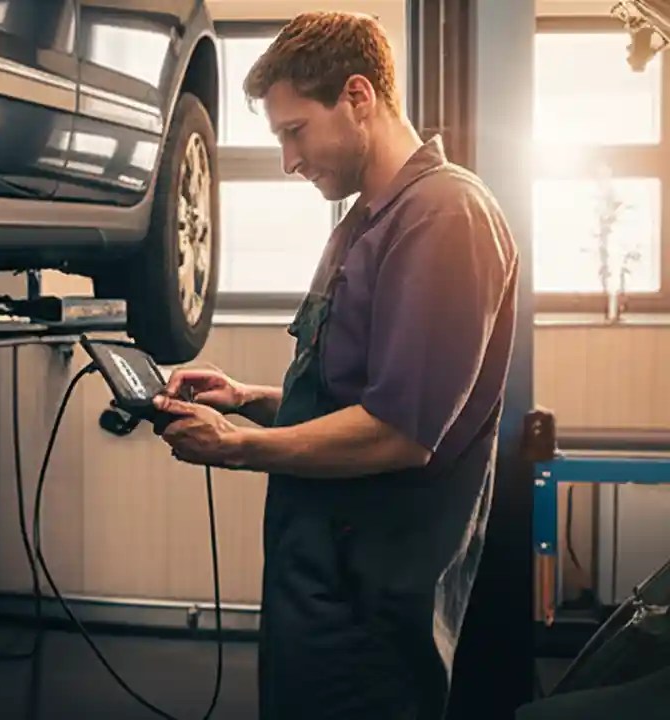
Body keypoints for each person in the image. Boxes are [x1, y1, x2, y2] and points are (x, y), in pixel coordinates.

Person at [151, 11, 520, 720]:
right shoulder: (368, 219)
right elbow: (350, 389)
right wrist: (249, 399)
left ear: (358, 97)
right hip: (320, 586)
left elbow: (400, 431)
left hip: (373, 609)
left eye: (295, 132)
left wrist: (238, 447)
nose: (290, 160)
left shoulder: (446, 215)